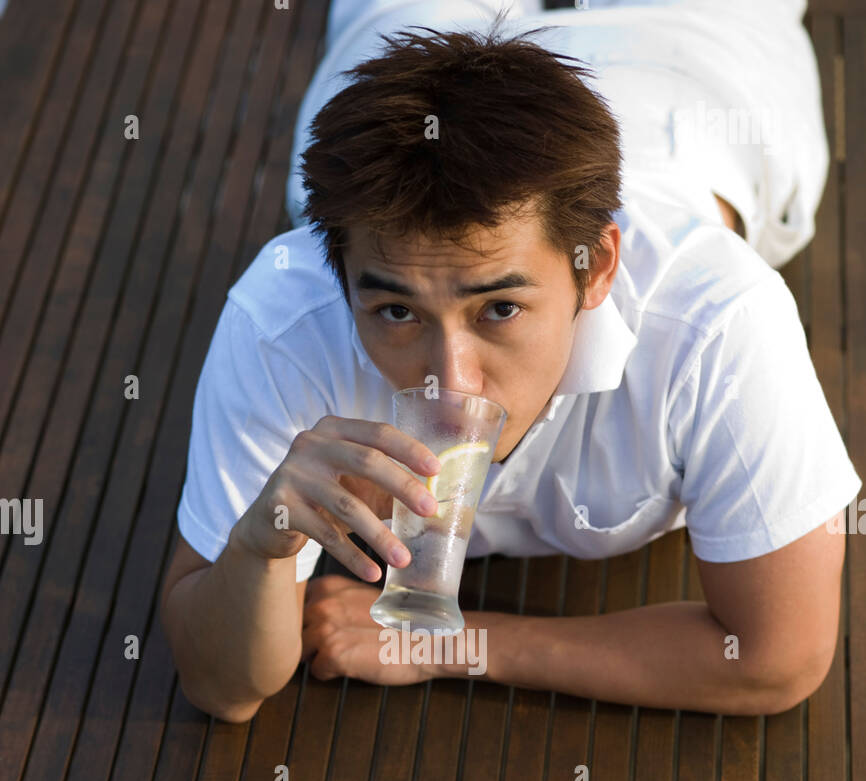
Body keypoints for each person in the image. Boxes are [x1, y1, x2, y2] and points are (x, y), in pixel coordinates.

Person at [161, 0, 861, 720]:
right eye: (398, 312)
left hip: (695, 53)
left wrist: (454, 646)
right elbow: (222, 688)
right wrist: (258, 549)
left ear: (598, 270)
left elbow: (777, 658)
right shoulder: (285, 322)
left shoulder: (717, 329)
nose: (450, 379)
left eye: (499, 308)